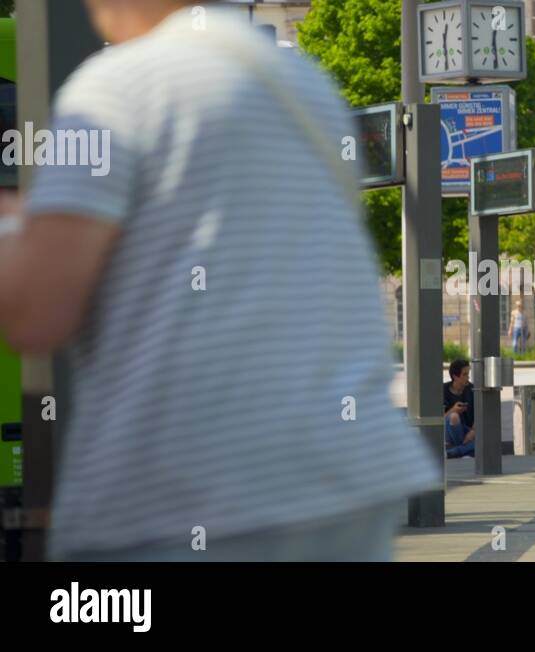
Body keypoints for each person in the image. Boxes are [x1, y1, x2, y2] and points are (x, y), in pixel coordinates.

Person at [0, 0, 438, 561]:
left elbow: (37, 310)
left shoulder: (118, 86)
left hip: (190, 497)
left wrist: (15, 229)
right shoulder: (302, 84)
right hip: (348, 487)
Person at [443, 359, 475, 459]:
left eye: (468, 373)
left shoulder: (472, 389)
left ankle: (452, 452)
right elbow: (438, 419)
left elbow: (480, 414)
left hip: (467, 431)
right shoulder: (443, 390)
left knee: (486, 442)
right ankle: (464, 450)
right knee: (454, 416)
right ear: (455, 376)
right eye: (464, 374)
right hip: (449, 431)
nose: (468, 377)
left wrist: (474, 431)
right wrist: (453, 410)